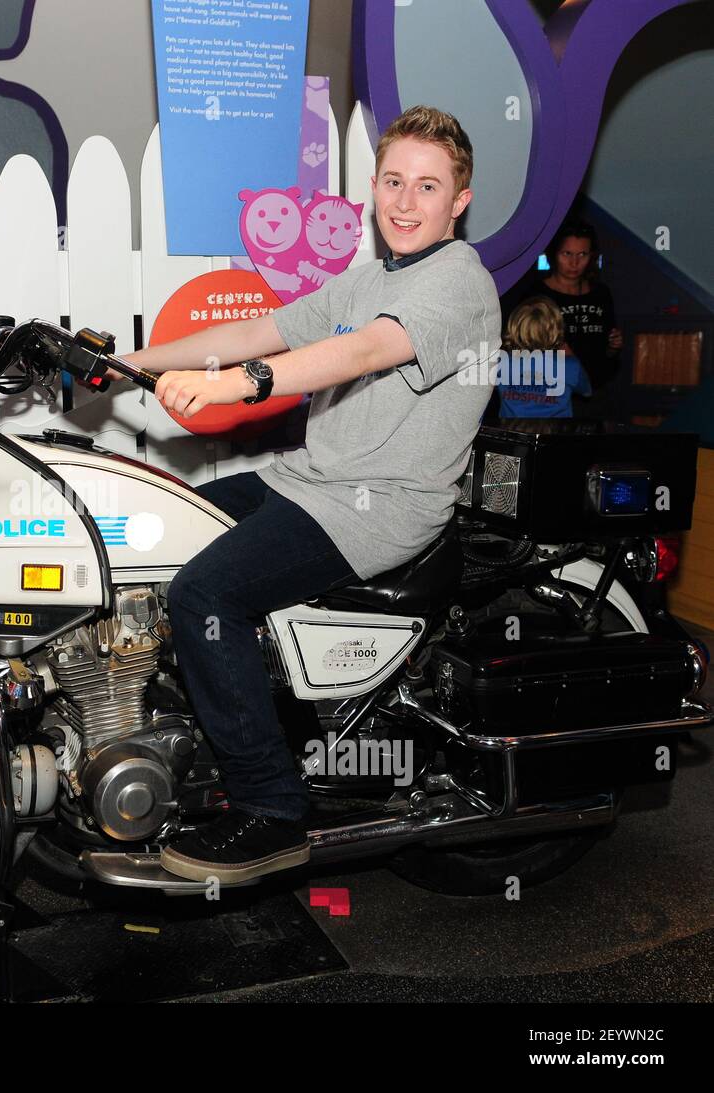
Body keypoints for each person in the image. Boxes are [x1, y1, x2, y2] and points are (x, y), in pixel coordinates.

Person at [122, 105, 500, 883]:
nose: (405, 201)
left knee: (204, 592)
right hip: (307, 479)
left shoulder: (459, 282)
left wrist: (237, 385)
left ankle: (271, 810)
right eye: (393, 181)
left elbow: (362, 351)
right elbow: (258, 331)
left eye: (428, 186)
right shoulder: (369, 277)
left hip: (381, 504)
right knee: (157, 525)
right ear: (373, 187)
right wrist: (133, 362)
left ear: (459, 201)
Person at [518, 221, 622, 418]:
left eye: (582, 254)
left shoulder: (601, 293)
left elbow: (609, 353)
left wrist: (613, 346)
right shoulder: (536, 295)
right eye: (567, 254)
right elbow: (521, 348)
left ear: (591, 256)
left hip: (595, 394)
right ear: (553, 254)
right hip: (551, 398)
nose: (574, 263)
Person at [496, 296, 591, 418]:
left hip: (513, 429)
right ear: (557, 328)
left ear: (514, 327)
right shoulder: (570, 366)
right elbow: (587, 392)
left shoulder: (499, 363)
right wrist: (569, 353)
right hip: (555, 430)